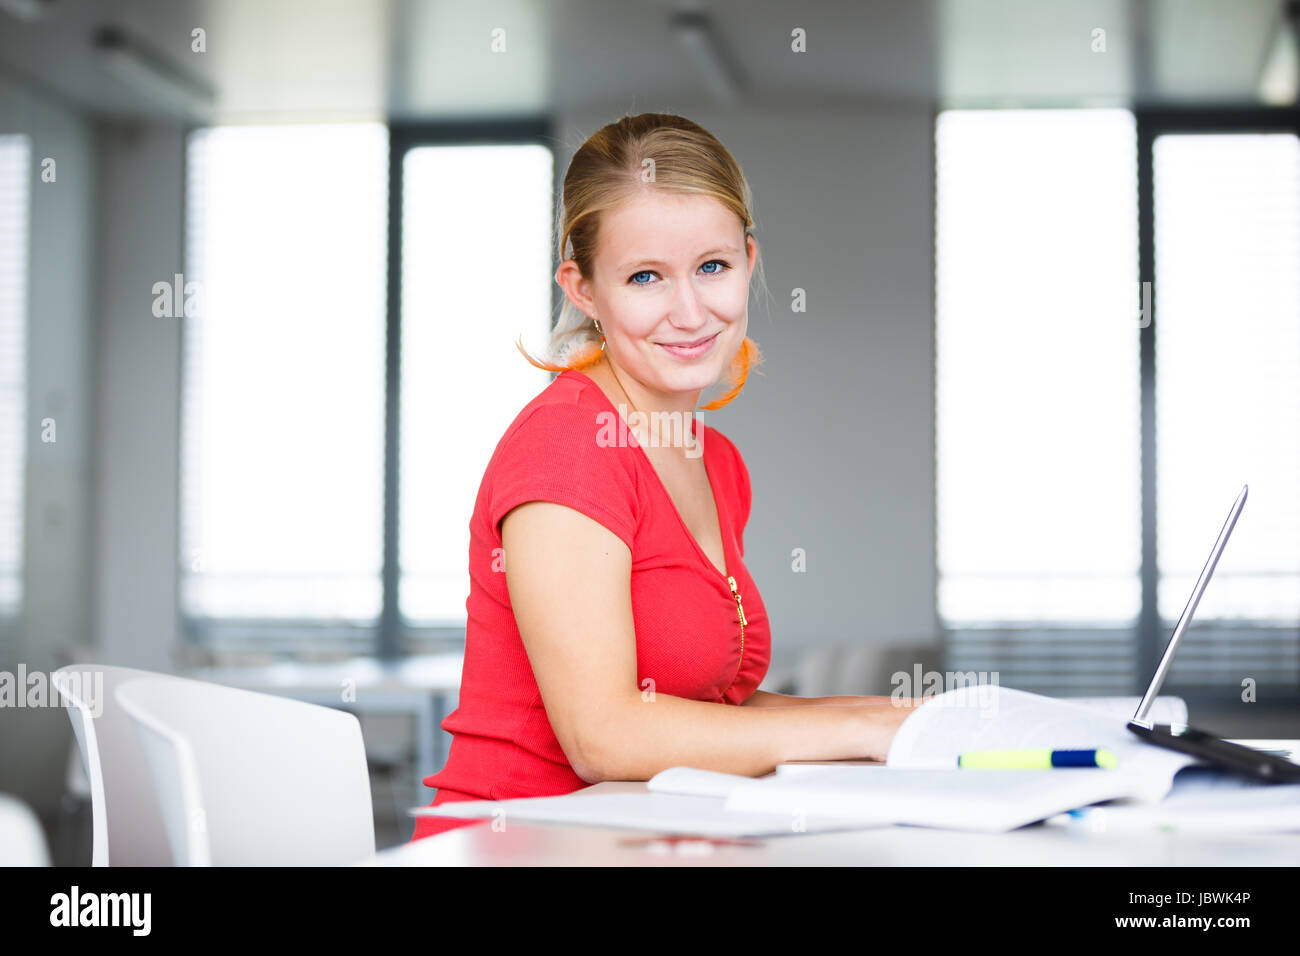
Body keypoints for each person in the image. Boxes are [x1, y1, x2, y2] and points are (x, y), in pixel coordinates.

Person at [411, 112, 923, 842]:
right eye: (645, 276)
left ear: (748, 259)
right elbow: (605, 737)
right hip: (517, 842)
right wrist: (861, 727)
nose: (690, 313)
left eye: (712, 267)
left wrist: (895, 720)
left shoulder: (716, 463)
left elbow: (701, 713)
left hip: (633, 837)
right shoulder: (568, 445)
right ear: (583, 288)